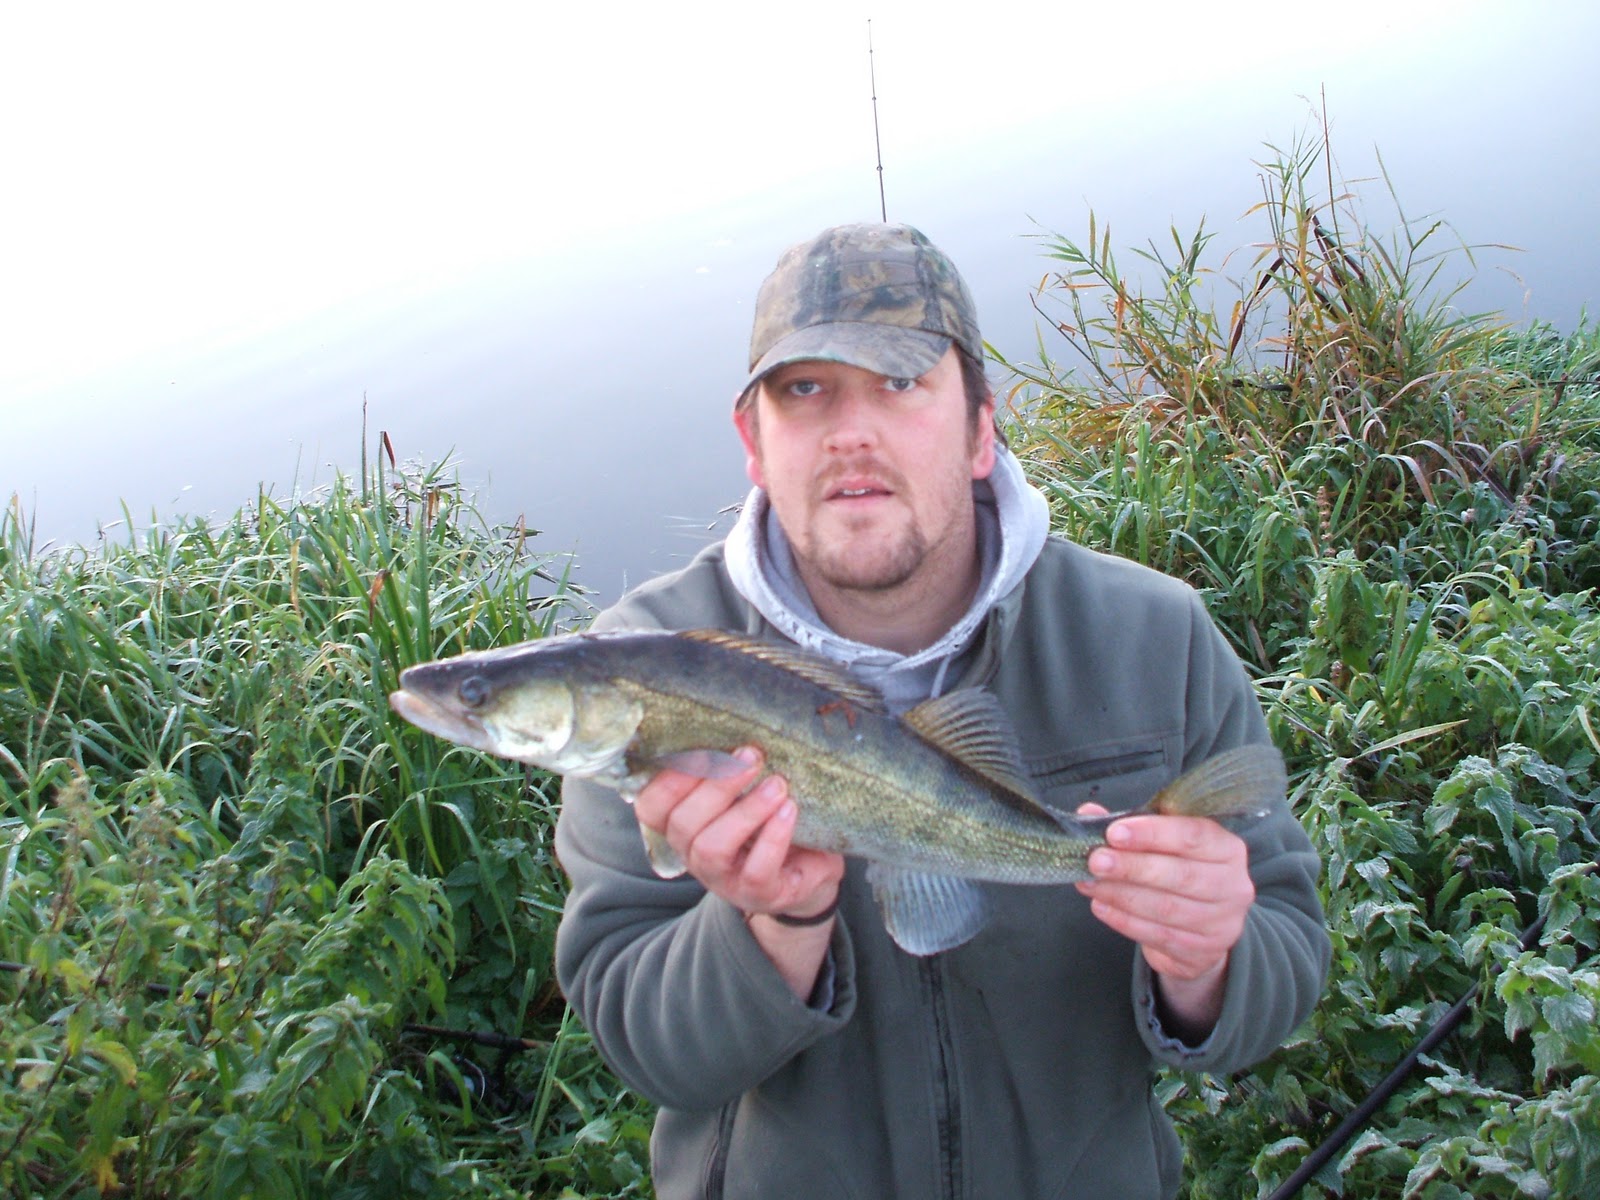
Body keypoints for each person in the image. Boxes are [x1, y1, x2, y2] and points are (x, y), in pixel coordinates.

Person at [554, 222, 1329, 1198]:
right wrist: (777, 920)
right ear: (753, 441)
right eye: (805, 391)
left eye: (902, 382)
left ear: (979, 429)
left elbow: (1285, 962)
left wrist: (1206, 957)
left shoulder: (1155, 637)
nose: (851, 431)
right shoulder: (639, 674)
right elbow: (653, 1056)